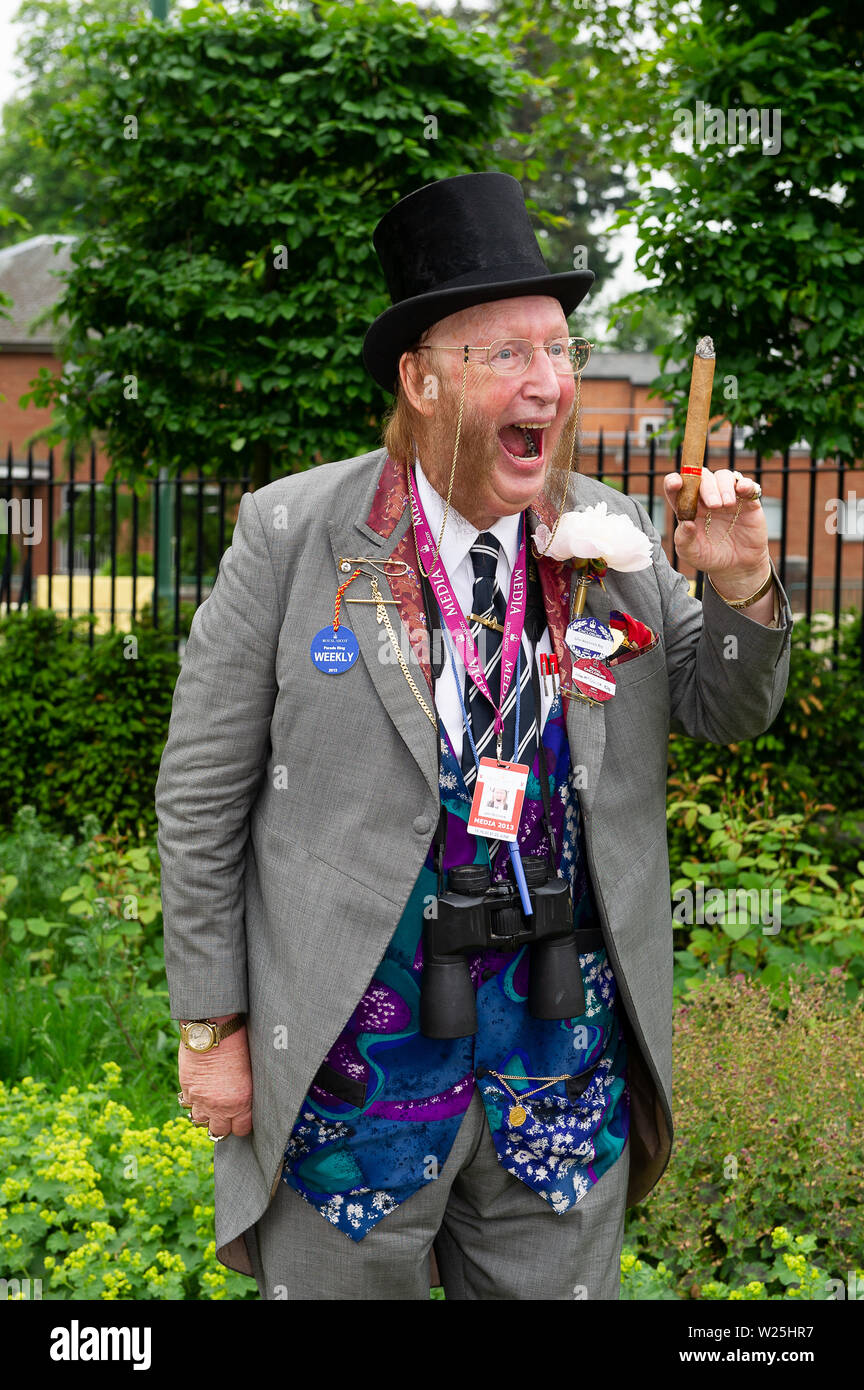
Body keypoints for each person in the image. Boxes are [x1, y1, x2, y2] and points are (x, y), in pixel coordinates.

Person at [156, 172, 792, 1301]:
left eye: (558, 351)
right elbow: (202, 793)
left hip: (560, 1069)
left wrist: (744, 585)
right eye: (505, 355)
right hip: (356, 1082)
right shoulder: (295, 533)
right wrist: (214, 1025)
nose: (547, 383)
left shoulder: (617, 530)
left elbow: (724, 708)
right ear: (419, 377)